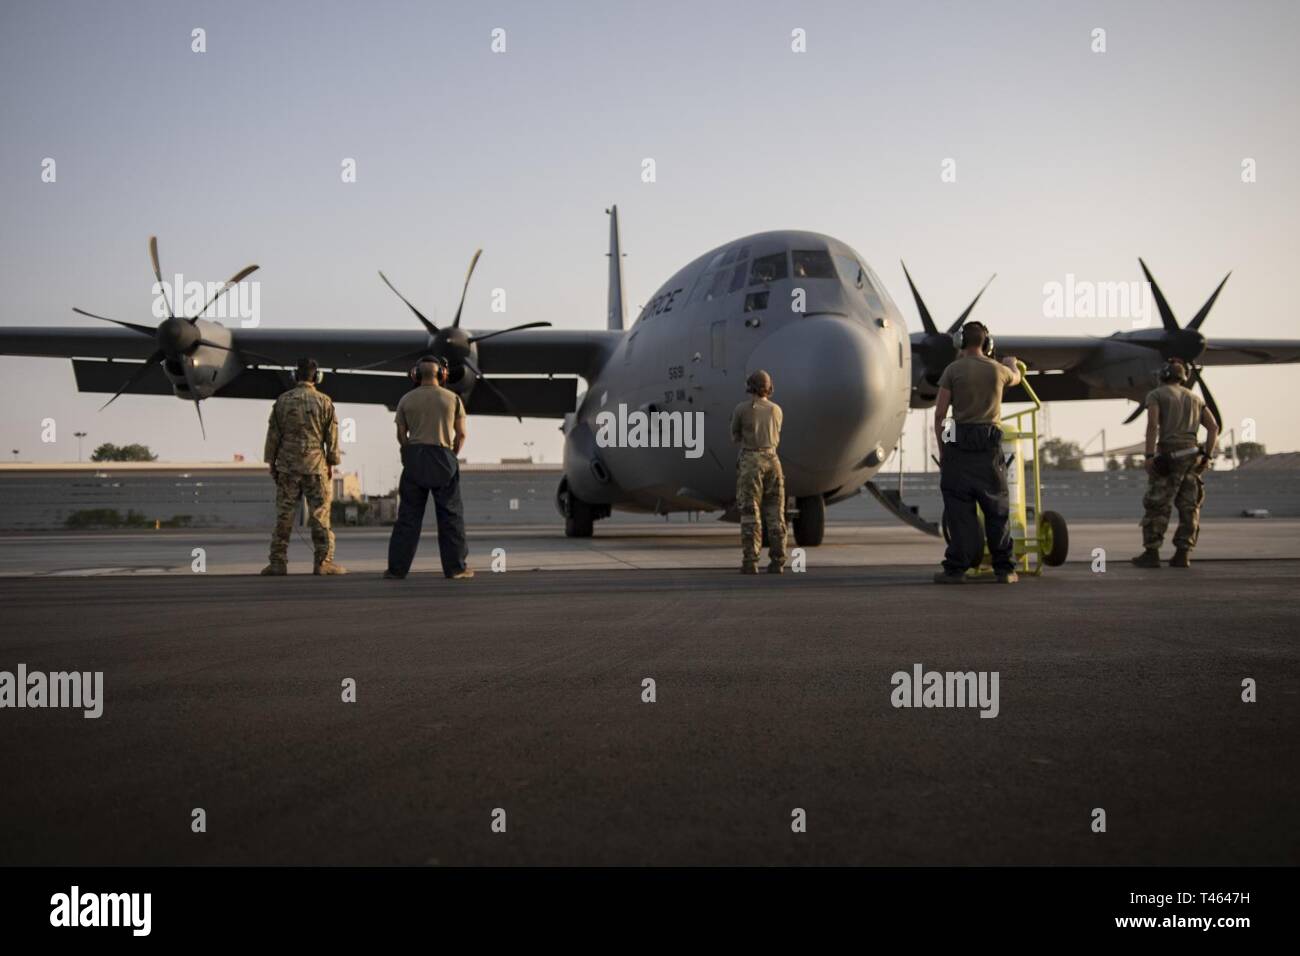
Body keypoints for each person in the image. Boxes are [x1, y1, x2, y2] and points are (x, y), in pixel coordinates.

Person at [932, 322, 1022, 584]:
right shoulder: (999, 370)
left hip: (958, 445)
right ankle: (1005, 570)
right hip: (989, 448)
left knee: (960, 513)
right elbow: (1016, 377)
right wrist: (1012, 363)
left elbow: (939, 415)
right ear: (987, 343)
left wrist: (943, 451)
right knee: (997, 511)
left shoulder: (952, 370)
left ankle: (956, 570)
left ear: (960, 342)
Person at [385, 355, 473, 580]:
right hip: (443, 457)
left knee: (408, 517)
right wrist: (452, 455)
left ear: (415, 374)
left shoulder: (406, 399)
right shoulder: (453, 399)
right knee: (451, 517)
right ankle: (456, 568)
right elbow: (461, 434)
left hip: (415, 459)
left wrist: (409, 452)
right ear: (442, 374)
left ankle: (397, 570)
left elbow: (400, 434)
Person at [262, 357, 346, 575]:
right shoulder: (324, 401)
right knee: (320, 515)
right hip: (316, 466)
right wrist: (331, 463)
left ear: (294, 376)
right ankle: (323, 562)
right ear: (316, 377)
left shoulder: (282, 401)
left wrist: (272, 462)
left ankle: (278, 562)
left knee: (284, 515)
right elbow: (332, 438)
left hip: (287, 467)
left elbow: (273, 435)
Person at [1131, 357, 1217, 568]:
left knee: (1158, 504)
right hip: (1193, 456)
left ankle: (1151, 553)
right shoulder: (1195, 398)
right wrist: (1207, 456)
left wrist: (1149, 456)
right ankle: (1183, 554)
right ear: (1183, 377)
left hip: (1170, 456)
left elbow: (1153, 426)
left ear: (1163, 375)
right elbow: (1213, 427)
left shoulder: (1156, 395)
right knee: (1189, 506)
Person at [730, 369, 787, 574]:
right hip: (773, 460)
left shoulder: (742, 409)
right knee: (775, 512)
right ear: (769, 387)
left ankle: (751, 561)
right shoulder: (777, 410)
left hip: (751, 460)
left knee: (750, 512)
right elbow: (776, 434)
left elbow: (734, 436)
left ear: (749, 387)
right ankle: (778, 561)